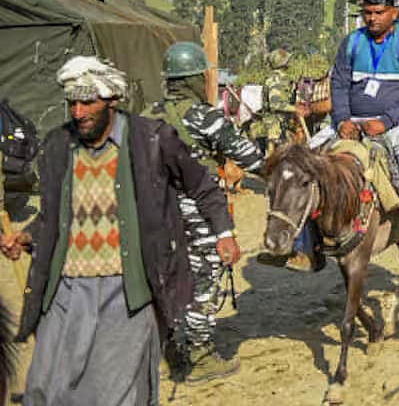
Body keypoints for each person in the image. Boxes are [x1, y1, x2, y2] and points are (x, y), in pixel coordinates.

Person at [2, 56, 239, 406]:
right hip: (66, 289)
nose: (78, 112)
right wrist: (26, 236)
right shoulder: (58, 145)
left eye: (87, 102)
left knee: (116, 390)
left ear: (111, 99)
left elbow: (202, 186)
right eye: (72, 103)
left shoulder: (152, 139)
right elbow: (55, 214)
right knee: (47, 388)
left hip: (126, 288)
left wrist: (224, 234)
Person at [143, 41, 264, 382]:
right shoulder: (205, 117)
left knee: (166, 279)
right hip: (199, 210)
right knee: (204, 279)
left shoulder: (147, 115)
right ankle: (200, 355)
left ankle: (169, 349)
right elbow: (250, 157)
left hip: (155, 213)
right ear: (195, 79)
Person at [330, 0, 399, 266]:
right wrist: (342, 119)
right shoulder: (352, 42)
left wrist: (386, 121)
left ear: (394, 13)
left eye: (379, 12)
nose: (372, 18)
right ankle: (303, 242)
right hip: (352, 120)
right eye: (367, 12)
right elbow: (339, 83)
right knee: (309, 161)